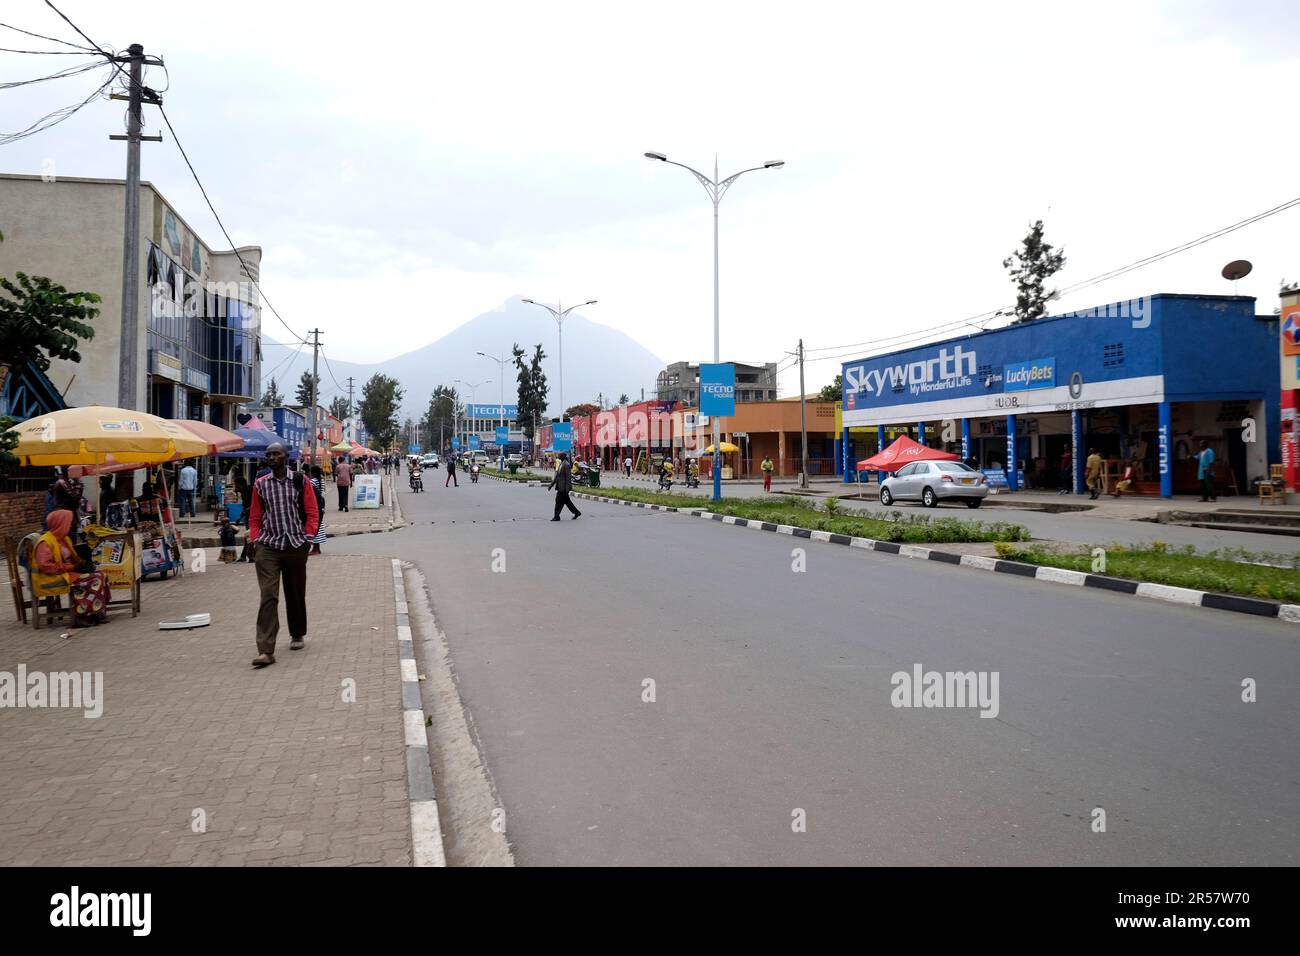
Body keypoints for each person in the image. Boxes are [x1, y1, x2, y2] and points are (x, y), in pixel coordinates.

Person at [248, 442, 319, 668]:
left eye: (276, 454)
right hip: (268, 546)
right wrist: (255, 539)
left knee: (295, 591)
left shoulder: (300, 481)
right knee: (268, 595)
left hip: (296, 544)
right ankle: (266, 650)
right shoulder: (260, 485)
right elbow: (256, 516)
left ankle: (297, 632)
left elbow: (311, 511)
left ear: (286, 457)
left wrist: (308, 537)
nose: (272, 457)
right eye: (269, 454)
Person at [33, 509, 111, 627]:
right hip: (50, 578)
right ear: (60, 524)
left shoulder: (64, 539)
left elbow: (74, 557)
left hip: (66, 573)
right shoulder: (45, 542)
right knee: (95, 579)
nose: (70, 526)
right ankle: (82, 616)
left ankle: (96, 612)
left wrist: (82, 563)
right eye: (68, 523)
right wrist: (70, 567)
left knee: (102, 574)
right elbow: (46, 566)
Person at [548, 453, 581, 521]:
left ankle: (556, 517)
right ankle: (577, 512)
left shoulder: (566, 464)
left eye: (559, 455)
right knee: (567, 502)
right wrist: (551, 485)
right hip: (560, 487)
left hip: (563, 488)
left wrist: (567, 489)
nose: (558, 455)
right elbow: (557, 476)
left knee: (558, 501)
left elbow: (568, 478)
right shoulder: (561, 463)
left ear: (563, 456)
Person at [308, 465, 327, 555]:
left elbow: (310, 493)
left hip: (315, 503)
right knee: (319, 525)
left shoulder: (312, 481)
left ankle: (315, 549)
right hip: (321, 503)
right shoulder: (321, 481)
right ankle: (317, 548)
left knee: (314, 525)